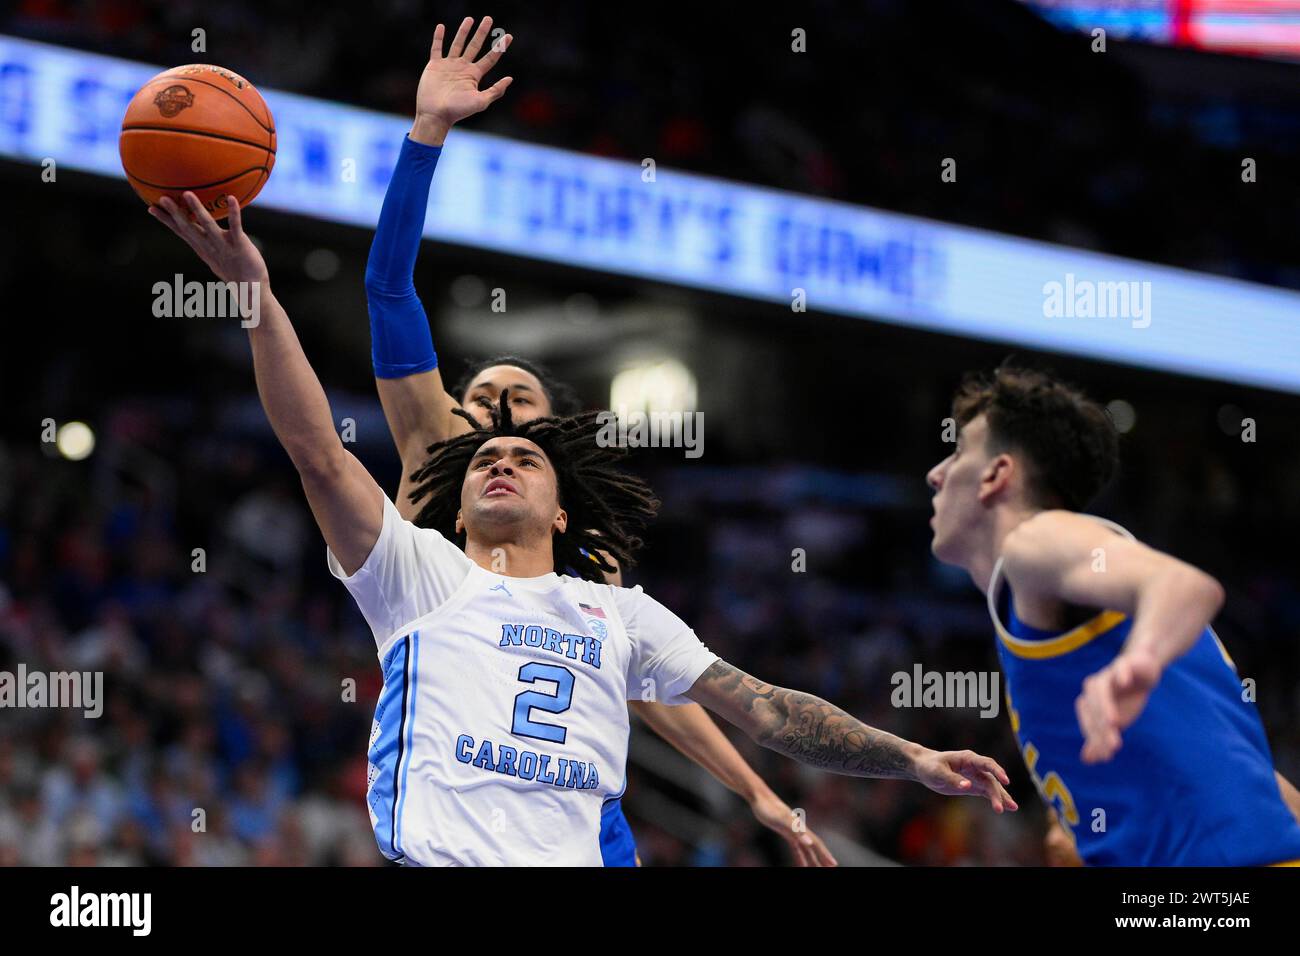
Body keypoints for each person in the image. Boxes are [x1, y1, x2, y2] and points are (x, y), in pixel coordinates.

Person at [148, 190, 1017, 865]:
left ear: (562, 507)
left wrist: (911, 758)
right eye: (487, 448)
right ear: (452, 507)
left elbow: (766, 709)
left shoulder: (619, 613)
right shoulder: (417, 573)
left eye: (525, 453)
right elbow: (318, 450)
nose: (498, 452)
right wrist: (256, 294)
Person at [363, 16, 836, 865]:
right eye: (479, 398)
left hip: (568, 802)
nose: (495, 415)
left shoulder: (584, 558)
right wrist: (426, 134)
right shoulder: (433, 447)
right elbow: (389, 289)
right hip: (455, 772)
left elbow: (653, 685)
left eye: (519, 402)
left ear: (554, 444)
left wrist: (759, 792)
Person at [926, 363, 1300, 866]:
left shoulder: (1034, 540)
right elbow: (1259, 787)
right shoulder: (1043, 615)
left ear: (996, 475)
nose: (936, 473)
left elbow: (1184, 585)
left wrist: (1137, 666)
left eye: (958, 452)